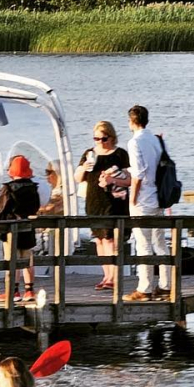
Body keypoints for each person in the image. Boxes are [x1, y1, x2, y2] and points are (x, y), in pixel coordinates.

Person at [75, 121, 130, 290]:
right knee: (98, 239)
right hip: (94, 201)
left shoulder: (120, 154)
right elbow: (77, 178)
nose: (99, 142)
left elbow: (129, 180)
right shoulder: (89, 154)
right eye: (96, 138)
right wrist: (84, 167)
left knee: (110, 239)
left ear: (112, 138)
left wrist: (111, 180)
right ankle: (106, 275)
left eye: (103, 138)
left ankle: (113, 277)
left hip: (114, 201)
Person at [124, 105, 171, 302]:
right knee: (159, 241)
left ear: (132, 121)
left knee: (143, 244)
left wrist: (133, 198)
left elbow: (139, 173)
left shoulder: (135, 142)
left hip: (143, 198)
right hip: (158, 196)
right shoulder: (155, 139)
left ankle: (144, 288)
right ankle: (166, 285)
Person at [0, 156, 41, 303]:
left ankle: (13, 292)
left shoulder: (8, 188)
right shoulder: (33, 188)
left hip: (11, 230)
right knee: (27, 259)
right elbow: (36, 207)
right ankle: (29, 290)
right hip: (27, 228)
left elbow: (1, 209)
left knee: (12, 260)